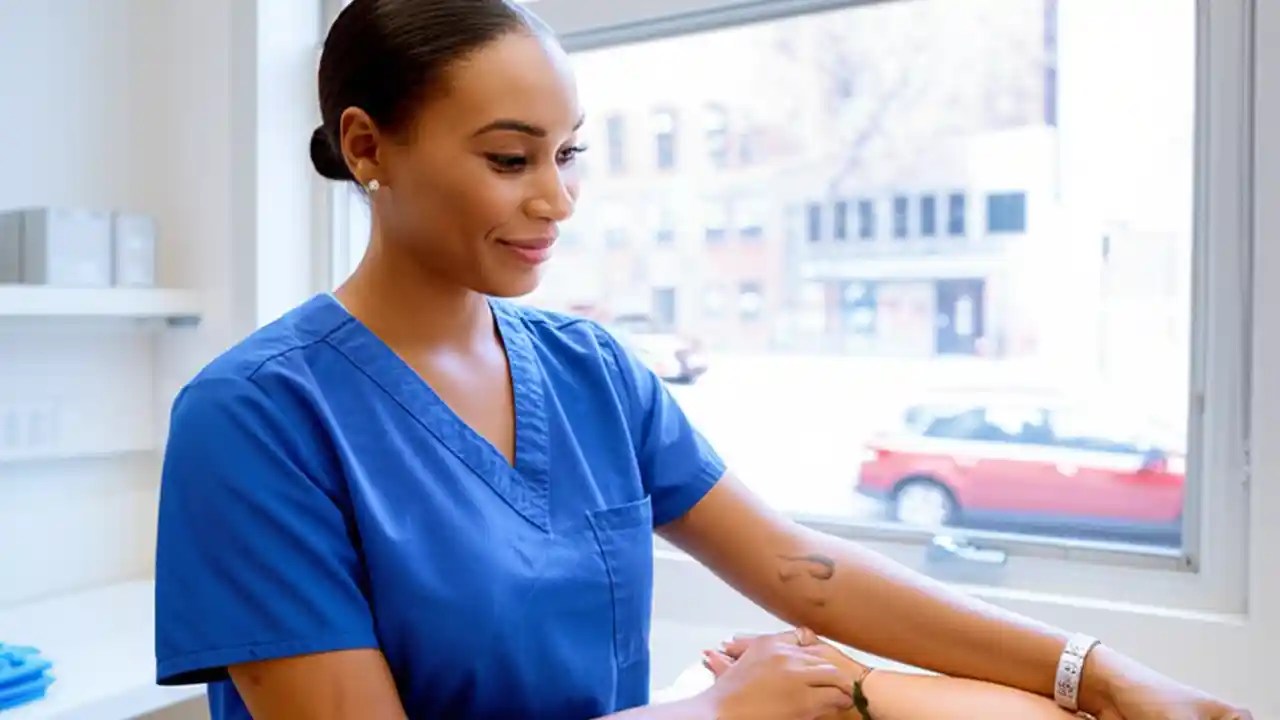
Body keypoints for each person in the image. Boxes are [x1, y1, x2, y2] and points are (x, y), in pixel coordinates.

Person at [151, 1, 1252, 719]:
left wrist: (1091, 670)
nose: (557, 199)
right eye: (507, 159)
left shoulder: (586, 368)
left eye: (568, 154)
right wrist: (711, 716)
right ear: (364, 147)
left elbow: (792, 567)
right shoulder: (256, 418)